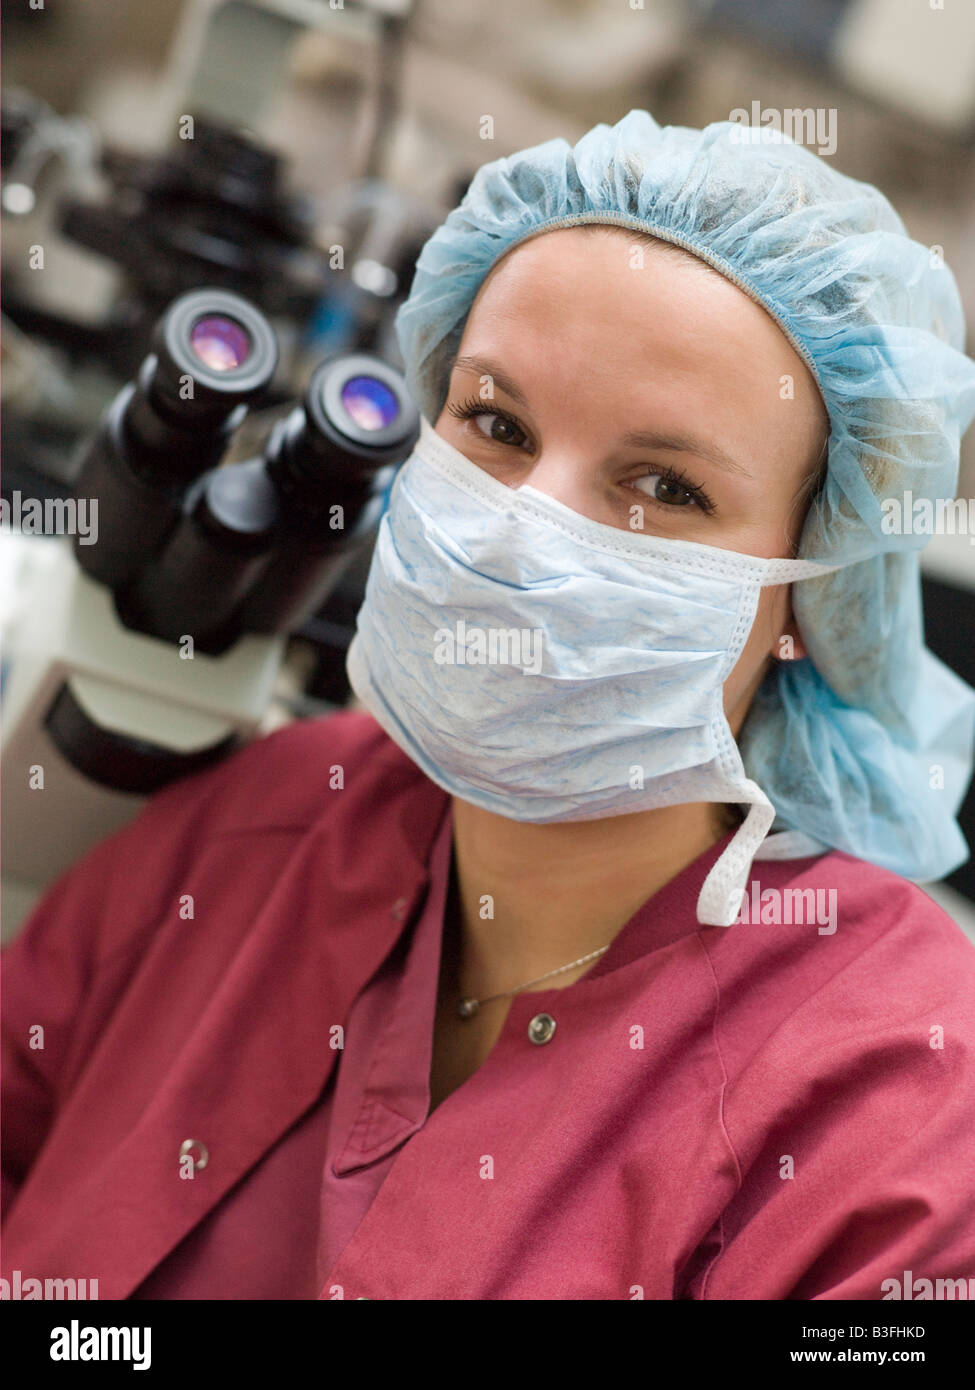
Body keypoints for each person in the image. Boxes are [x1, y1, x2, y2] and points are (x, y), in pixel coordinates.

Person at [3, 109, 975, 1302]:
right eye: (497, 423)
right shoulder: (263, 829)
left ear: (805, 599)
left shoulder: (897, 1084)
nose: (526, 529)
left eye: (664, 486)